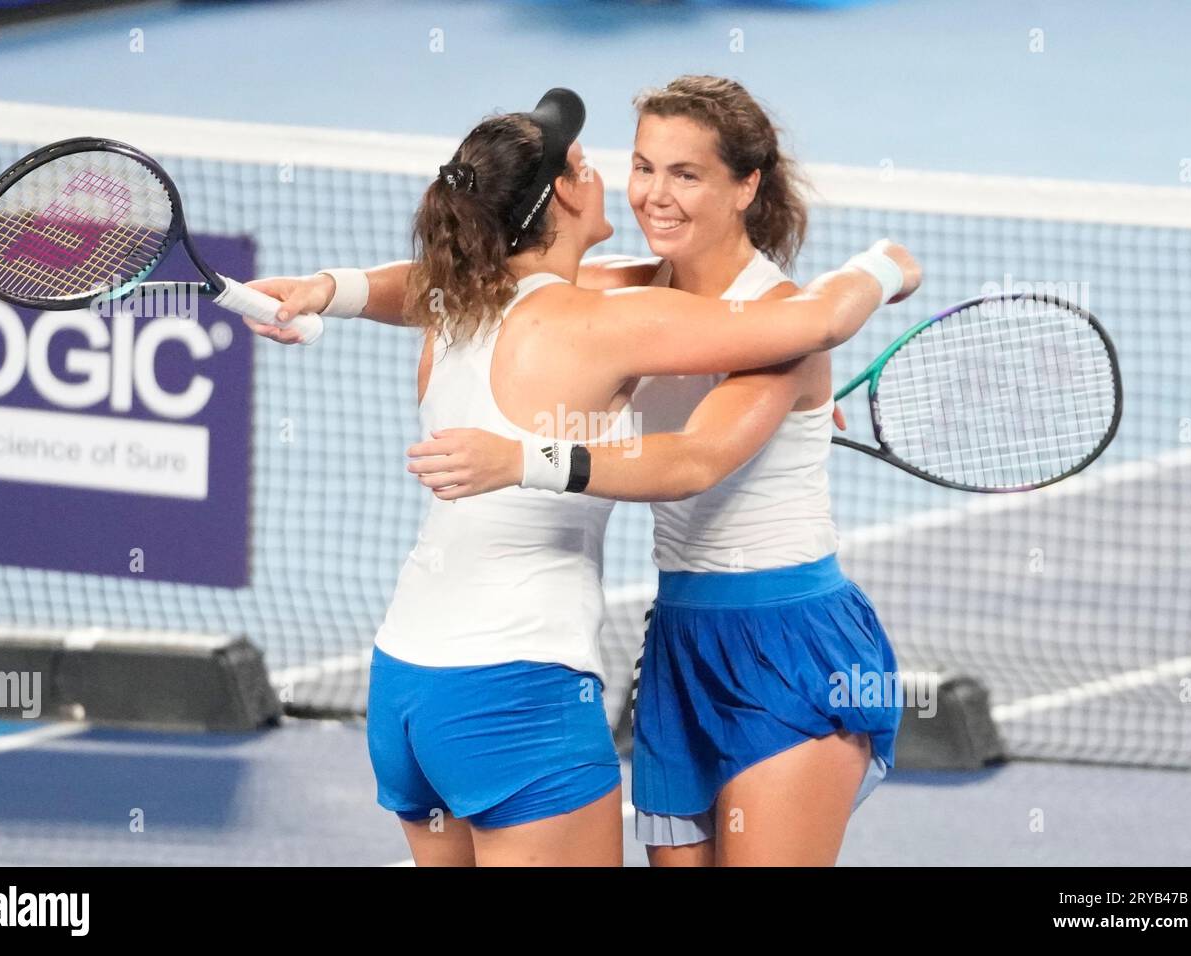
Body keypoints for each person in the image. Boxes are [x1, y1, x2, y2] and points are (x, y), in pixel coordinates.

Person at [242, 85, 917, 866]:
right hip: (678, 643)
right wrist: (335, 288)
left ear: (746, 185)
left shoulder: (775, 317)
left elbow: (695, 460)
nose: (654, 195)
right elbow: (445, 282)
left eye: (686, 175)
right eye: (640, 166)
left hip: (789, 643)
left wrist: (886, 263)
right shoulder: (618, 295)